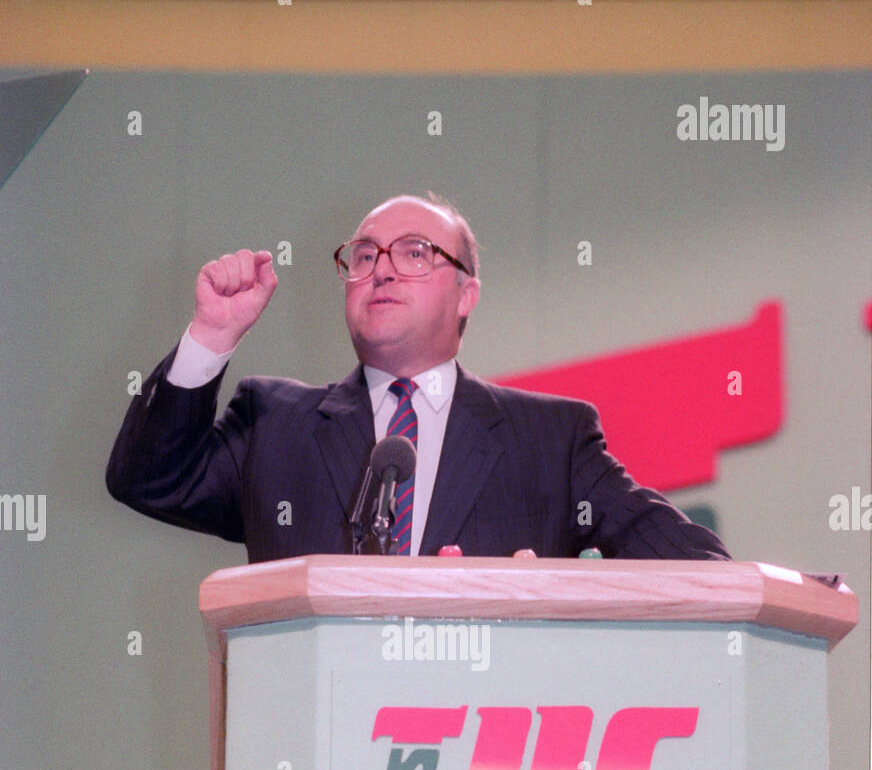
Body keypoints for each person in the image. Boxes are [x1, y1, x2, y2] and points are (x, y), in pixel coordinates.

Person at [106, 192, 730, 563]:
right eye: (364, 255)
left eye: (414, 253)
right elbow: (150, 479)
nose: (381, 270)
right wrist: (212, 337)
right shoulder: (274, 425)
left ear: (466, 294)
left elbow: (683, 560)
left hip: (483, 766)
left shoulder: (550, 440)